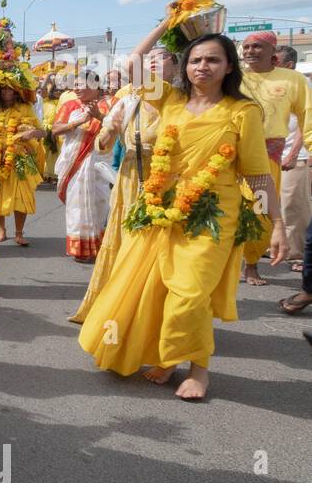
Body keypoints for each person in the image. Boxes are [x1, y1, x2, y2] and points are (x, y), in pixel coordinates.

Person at [78, 34, 287, 400]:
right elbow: (133, 64)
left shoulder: (242, 112)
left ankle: (199, 370)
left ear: (229, 67)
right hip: (160, 209)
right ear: (185, 67)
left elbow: (257, 174)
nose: (202, 67)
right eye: (195, 60)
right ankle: (168, 357)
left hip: (212, 215)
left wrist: (278, 226)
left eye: (213, 60)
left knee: (190, 294)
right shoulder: (171, 101)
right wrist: (166, 23)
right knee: (155, 290)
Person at [71, 19, 173, 323]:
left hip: (167, 179)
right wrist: (107, 122)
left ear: (177, 67)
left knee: (158, 248)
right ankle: (119, 307)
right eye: (150, 58)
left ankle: (154, 312)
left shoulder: (180, 97)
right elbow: (104, 143)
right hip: (130, 177)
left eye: (162, 58)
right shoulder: (128, 99)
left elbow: (133, 62)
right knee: (125, 241)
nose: (153, 62)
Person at [237, 32, 310, 286]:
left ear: (272, 50)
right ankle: (224, 266)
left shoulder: (293, 79)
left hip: (266, 157)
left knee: (259, 212)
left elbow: (306, 117)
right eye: (246, 47)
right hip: (228, 155)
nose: (249, 51)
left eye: (257, 46)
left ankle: (252, 264)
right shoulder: (233, 78)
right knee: (223, 211)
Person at [52, 71, 113, 262]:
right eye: (75, 84)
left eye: (81, 84)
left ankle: (102, 246)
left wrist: (99, 116)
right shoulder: (70, 105)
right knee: (77, 206)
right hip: (74, 163)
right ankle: (80, 249)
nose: (76, 88)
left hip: (99, 162)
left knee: (101, 203)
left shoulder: (111, 103)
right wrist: (80, 121)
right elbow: (55, 130)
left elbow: (119, 128)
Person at [0, 82, 46, 245]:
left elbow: (43, 132)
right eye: (3, 88)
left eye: (10, 88)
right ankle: (1, 230)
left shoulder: (26, 108)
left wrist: (31, 132)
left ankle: (19, 233)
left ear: (16, 91)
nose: (7, 91)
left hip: (19, 158)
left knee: (21, 196)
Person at [274, 45, 310, 276]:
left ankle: (296, 254)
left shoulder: (299, 83)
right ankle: (273, 246)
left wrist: (294, 153)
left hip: (293, 156)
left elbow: (304, 122)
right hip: (269, 156)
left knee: (292, 206)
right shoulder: (265, 82)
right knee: (267, 203)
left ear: (288, 64)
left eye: (274, 59)